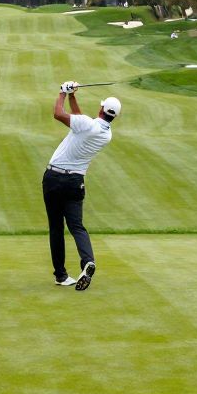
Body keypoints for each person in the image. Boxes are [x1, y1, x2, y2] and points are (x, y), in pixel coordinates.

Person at [42, 82, 121, 291]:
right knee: (77, 226)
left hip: (53, 178)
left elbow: (58, 114)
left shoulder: (87, 125)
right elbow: (81, 120)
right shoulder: (105, 134)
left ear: (101, 109)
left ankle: (61, 275)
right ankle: (88, 261)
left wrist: (61, 92)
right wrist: (72, 96)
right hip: (75, 182)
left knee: (56, 228)